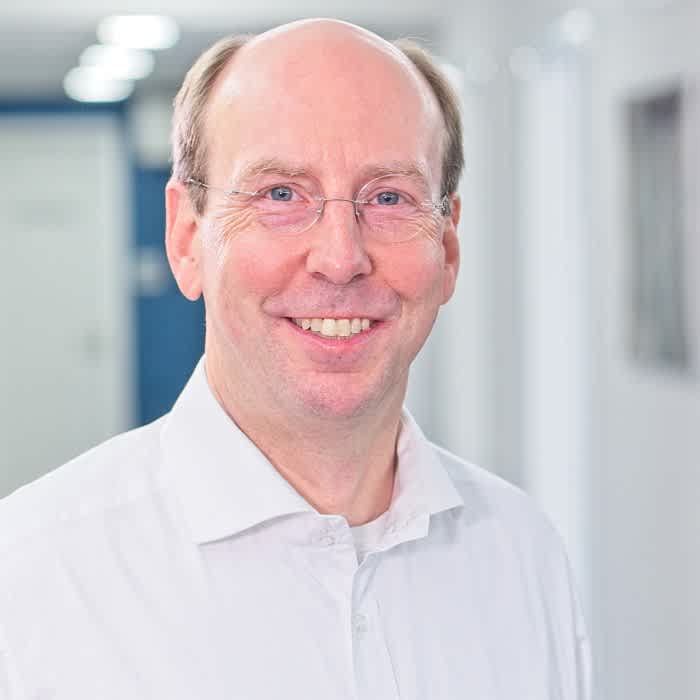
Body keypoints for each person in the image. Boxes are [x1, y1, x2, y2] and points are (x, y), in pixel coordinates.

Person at [0, 18, 591, 700]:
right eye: (280, 194)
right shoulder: (31, 579)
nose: (340, 258)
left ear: (448, 248)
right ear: (187, 238)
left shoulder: (522, 554)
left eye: (389, 198)